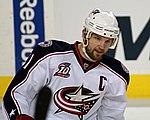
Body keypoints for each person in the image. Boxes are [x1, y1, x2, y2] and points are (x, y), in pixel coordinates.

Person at [2, 8, 130, 120]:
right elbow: (17, 93)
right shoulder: (50, 56)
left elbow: (111, 116)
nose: (102, 46)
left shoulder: (117, 75)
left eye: (107, 41)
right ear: (85, 34)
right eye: (97, 38)